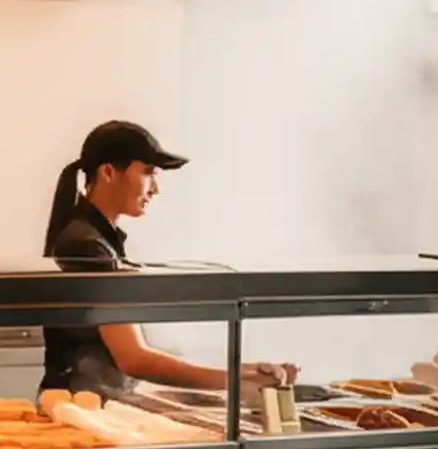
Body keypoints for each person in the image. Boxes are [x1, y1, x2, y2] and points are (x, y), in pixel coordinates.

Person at [40, 119, 298, 400]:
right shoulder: (86, 245)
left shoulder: (95, 239)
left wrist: (249, 370)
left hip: (92, 402)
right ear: (108, 172)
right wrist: (236, 378)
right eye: (149, 173)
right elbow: (134, 359)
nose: (155, 189)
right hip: (81, 406)